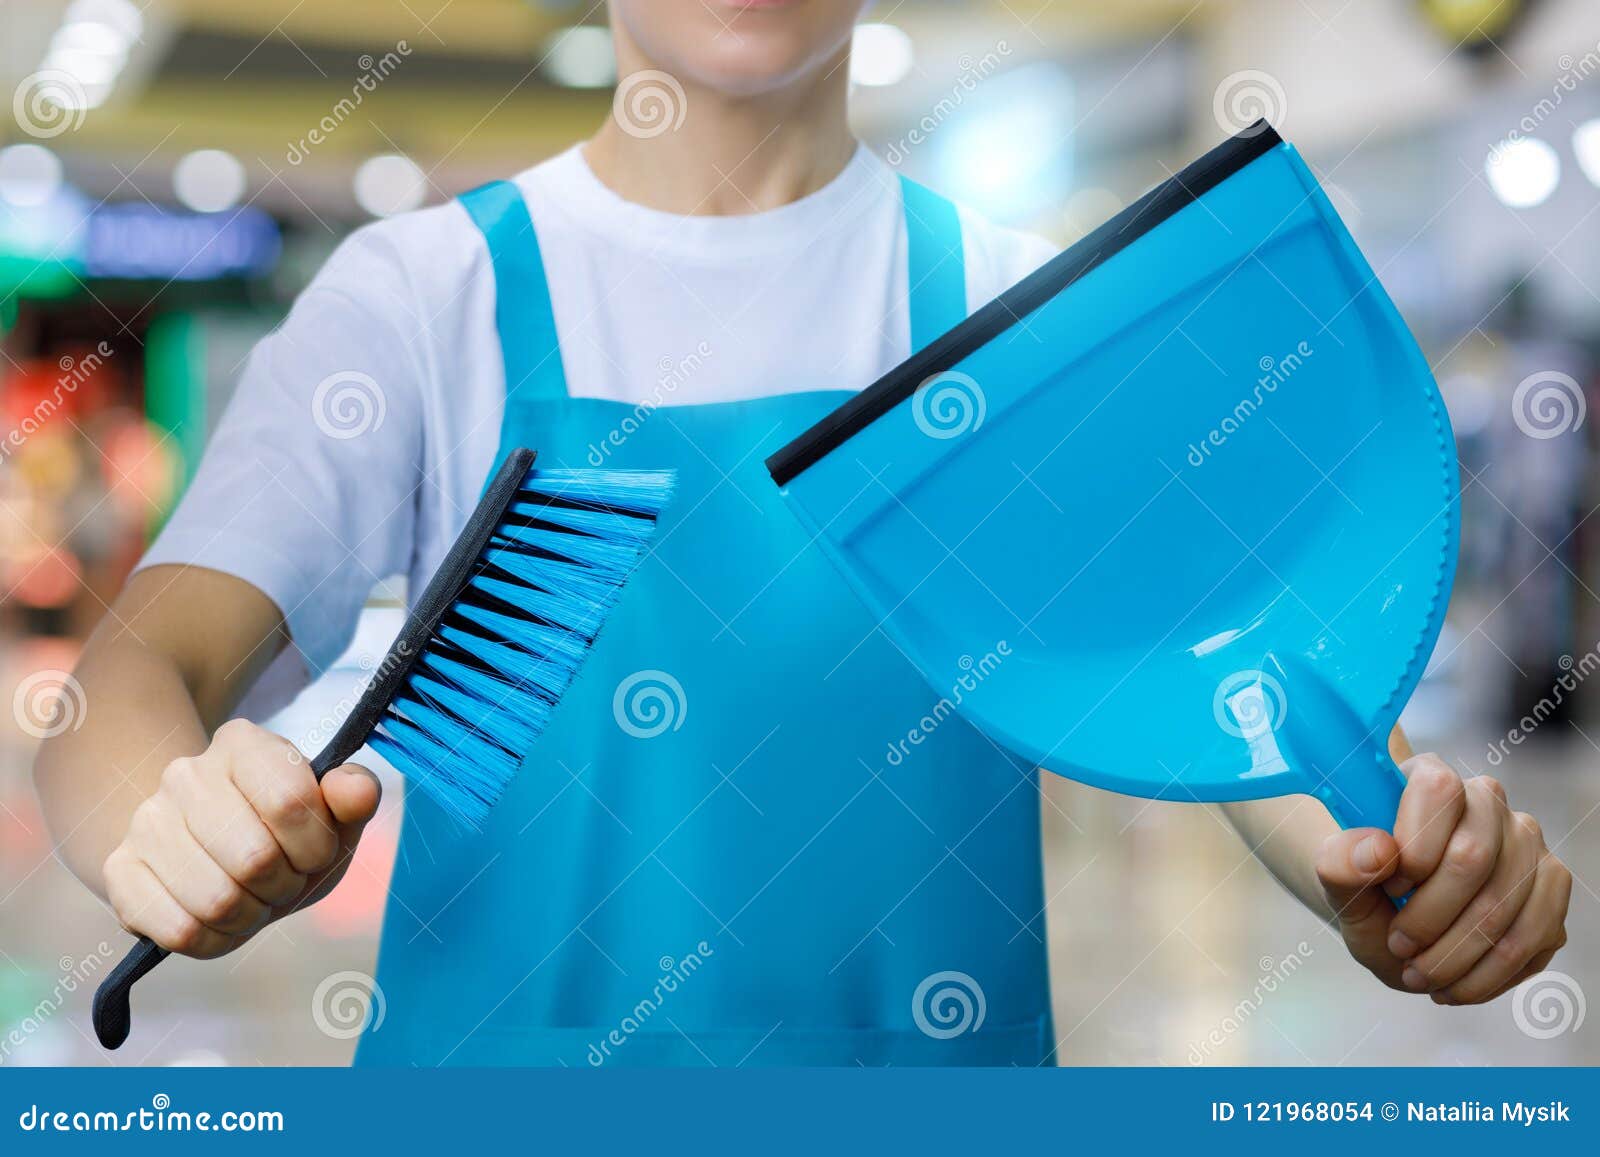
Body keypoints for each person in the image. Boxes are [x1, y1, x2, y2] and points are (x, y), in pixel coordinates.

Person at [35, 0, 1570, 1065]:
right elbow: (131, 679)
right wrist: (164, 834)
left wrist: (1384, 868)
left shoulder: (1020, 312)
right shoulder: (419, 300)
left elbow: (1204, 684)